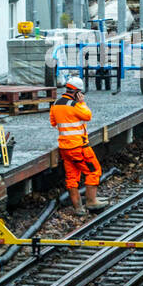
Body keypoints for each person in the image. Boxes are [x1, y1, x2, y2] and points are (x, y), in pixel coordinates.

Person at [49, 76, 109, 216]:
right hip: (79, 148)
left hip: (65, 148)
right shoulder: (76, 105)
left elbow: (53, 122)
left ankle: (78, 208)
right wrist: (82, 103)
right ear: (77, 92)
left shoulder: (56, 103)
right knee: (93, 171)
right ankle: (91, 201)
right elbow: (88, 116)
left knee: (72, 177)